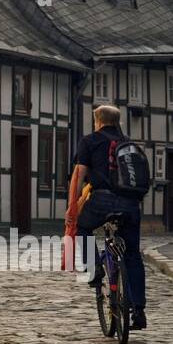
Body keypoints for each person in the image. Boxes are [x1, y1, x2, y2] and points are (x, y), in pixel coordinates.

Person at [66, 105, 147, 330]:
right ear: (117, 122)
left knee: (82, 227)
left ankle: (94, 269)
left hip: (102, 201)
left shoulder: (90, 141)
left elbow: (78, 174)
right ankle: (139, 311)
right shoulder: (129, 144)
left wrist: (73, 206)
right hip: (131, 204)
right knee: (132, 254)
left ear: (98, 121)